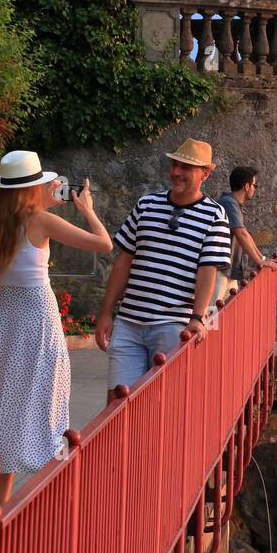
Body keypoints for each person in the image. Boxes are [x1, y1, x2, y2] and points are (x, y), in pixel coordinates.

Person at [0, 150, 113, 505]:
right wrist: (87, 209)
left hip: (6, 316)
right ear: (31, 188)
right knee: (47, 401)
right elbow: (104, 243)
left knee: (6, 404)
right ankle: (52, 497)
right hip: (37, 317)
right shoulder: (41, 221)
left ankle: (2, 505)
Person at [96, 139, 231, 392]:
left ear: (205, 173)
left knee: (162, 403)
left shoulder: (215, 216)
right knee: (116, 404)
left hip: (172, 326)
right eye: (175, 164)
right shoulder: (146, 205)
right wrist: (105, 312)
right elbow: (124, 261)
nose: (176, 172)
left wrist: (197, 318)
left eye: (186, 168)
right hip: (128, 322)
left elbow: (207, 271)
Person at [216, 165, 277, 302]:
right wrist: (260, 261)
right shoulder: (228, 203)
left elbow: (245, 233)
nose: (255, 189)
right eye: (255, 185)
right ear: (246, 186)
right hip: (220, 270)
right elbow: (240, 233)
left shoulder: (233, 204)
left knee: (225, 314)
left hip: (228, 270)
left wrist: (262, 258)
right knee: (212, 314)